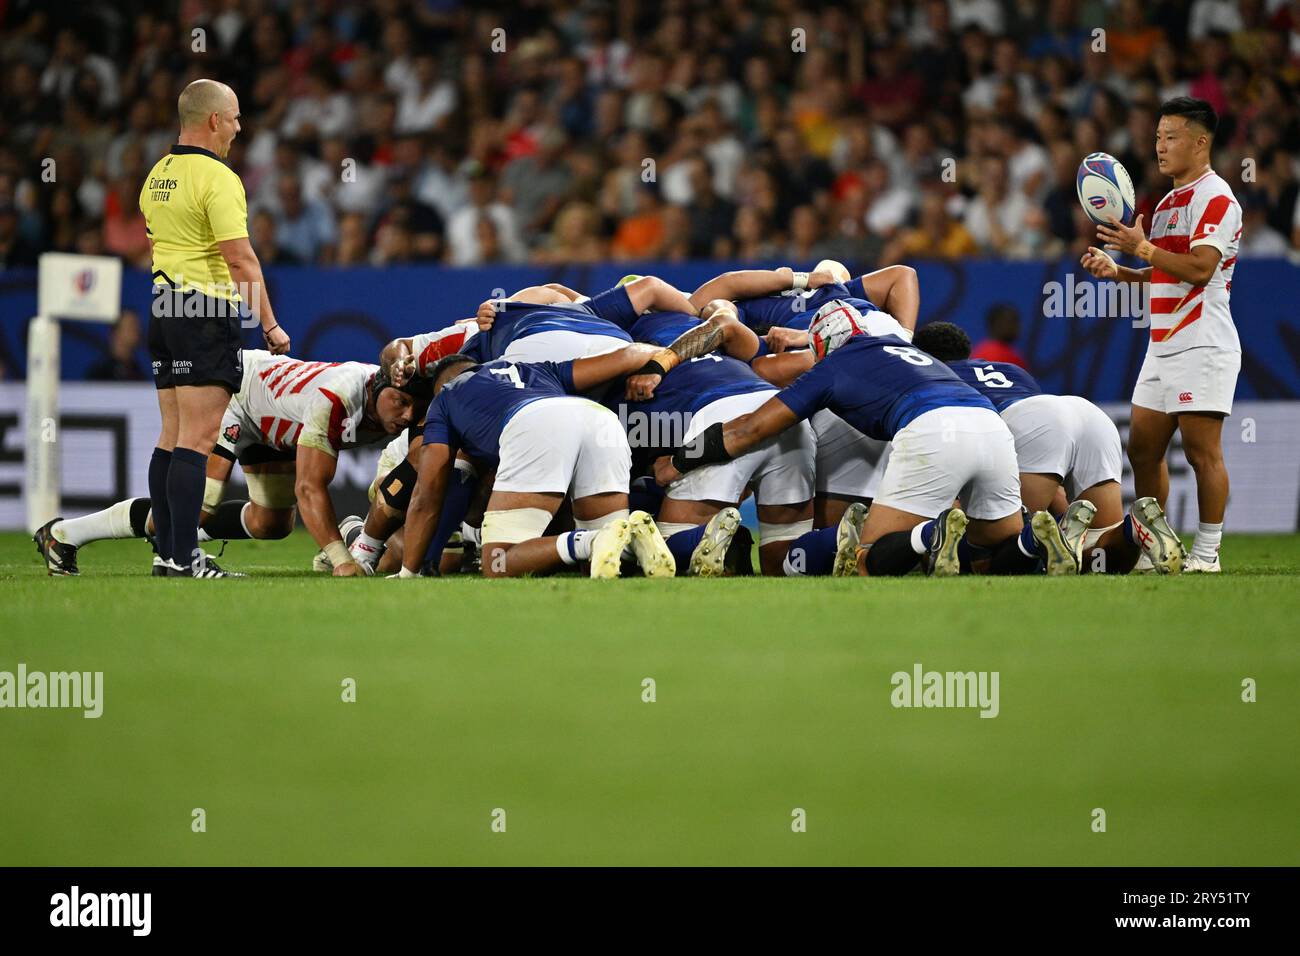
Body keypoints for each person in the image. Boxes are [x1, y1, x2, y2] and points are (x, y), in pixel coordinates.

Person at [36, 79, 291, 579]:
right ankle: (181, 557)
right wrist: (270, 323)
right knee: (198, 439)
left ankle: (168, 554)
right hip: (204, 313)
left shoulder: (158, 174)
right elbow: (240, 259)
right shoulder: (218, 178)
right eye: (235, 117)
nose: (240, 127)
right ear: (214, 120)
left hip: (165, 306)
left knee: (172, 436)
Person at [1083, 97, 1241, 573]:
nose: (1160, 146)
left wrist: (1142, 246)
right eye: (1157, 137)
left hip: (1202, 342)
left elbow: (1199, 269)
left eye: (1171, 137)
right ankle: (1158, 546)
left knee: (1200, 451)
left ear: (1200, 142)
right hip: (1163, 345)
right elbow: (1164, 271)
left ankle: (1207, 553)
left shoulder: (1217, 198)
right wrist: (1122, 272)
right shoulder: (1170, 201)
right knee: (1144, 449)